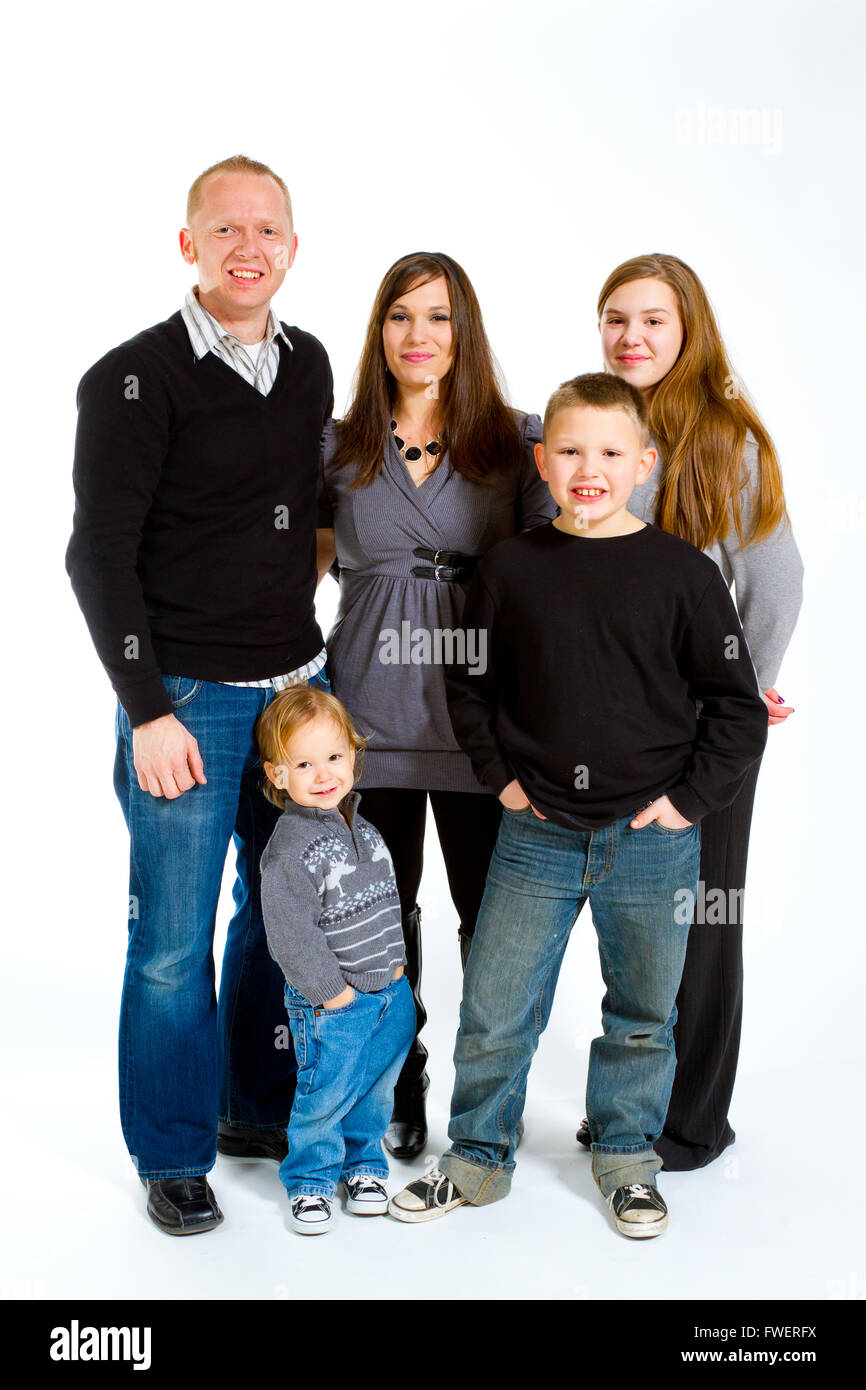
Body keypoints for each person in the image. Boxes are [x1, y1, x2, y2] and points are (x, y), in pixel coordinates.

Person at [388, 372, 768, 1237]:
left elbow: (738, 706)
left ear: (644, 462)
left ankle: (628, 1159)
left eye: (607, 451)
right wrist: (506, 782)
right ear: (542, 462)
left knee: (641, 1014)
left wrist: (688, 803)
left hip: (652, 839)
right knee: (494, 1005)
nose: (587, 467)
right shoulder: (511, 568)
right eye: (568, 451)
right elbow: (468, 684)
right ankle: (477, 1158)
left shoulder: (683, 574)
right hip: (535, 835)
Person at [65, 155, 334, 1236]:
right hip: (184, 698)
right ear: (188, 246)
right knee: (170, 943)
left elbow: (313, 505)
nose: (246, 247)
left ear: (291, 247)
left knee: (276, 924)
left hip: (292, 694)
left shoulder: (308, 364)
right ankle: (174, 1155)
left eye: (266, 229)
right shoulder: (132, 378)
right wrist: (147, 710)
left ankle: (251, 1108)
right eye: (224, 230)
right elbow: (96, 557)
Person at [316, 252, 557, 1157]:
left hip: (477, 717)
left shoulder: (517, 438)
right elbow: (289, 573)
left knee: (489, 923)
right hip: (364, 718)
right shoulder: (339, 448)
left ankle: (486, 1102)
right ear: (379, 331)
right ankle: (398, 1084)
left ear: (467, 333)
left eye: (440, 318)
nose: (420, 336)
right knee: (380, 917)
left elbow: (565, 573)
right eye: (401, 316)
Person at [572, 253, 804, 1170]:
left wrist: (740, 697)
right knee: (638, 923)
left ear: (689, 329)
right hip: (613, 728)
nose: (632, 337)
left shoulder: (726, 440)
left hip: (701, 734)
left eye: (654, 321)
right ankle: (636, 1105)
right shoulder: (598, 424)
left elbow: (776, 581)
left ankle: (692, 1122)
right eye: (616, 318)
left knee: (704, 918)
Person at [256, 686, 415, 1234]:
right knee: (325, 1092)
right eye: (303, 763)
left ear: (353, 755)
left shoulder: (364, 831)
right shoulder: (290, 847)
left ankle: (364, 1165)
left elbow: (387, 909)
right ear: (278, 776)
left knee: (374, 1089)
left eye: (333, 757)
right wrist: (334, 995)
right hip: (335, 1003)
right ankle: (311, 1181)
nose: (323, 774)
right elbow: (290, 934)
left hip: (388, 994)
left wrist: (398, 978)